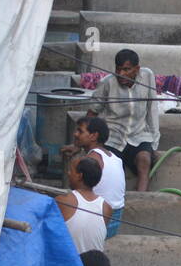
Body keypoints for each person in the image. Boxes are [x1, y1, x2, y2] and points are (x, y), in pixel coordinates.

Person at [86, 49, 161, 193]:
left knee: (145, 160)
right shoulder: (107, 83)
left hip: (139, 135)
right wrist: (80, 142)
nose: (121, 74)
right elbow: (92, 112)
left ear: (136, 69)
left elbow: (152, 109)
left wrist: (154, 142)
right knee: (110, 166)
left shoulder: (147, 76)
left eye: (126, 69)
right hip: (113, 136)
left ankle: (141, 197)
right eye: (118, 69)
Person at [63, 117, 126, 238]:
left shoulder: (92, 159)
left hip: (101, 220)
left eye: (80, 131)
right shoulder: (114, 157)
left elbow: (78, 192)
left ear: (93, 136)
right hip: (115, 219)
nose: (75, 134)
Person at [57, 155, 111, 254]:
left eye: (71, 170)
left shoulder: (64, 200)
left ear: (79, 176)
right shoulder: (106, 207)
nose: (68, 173)